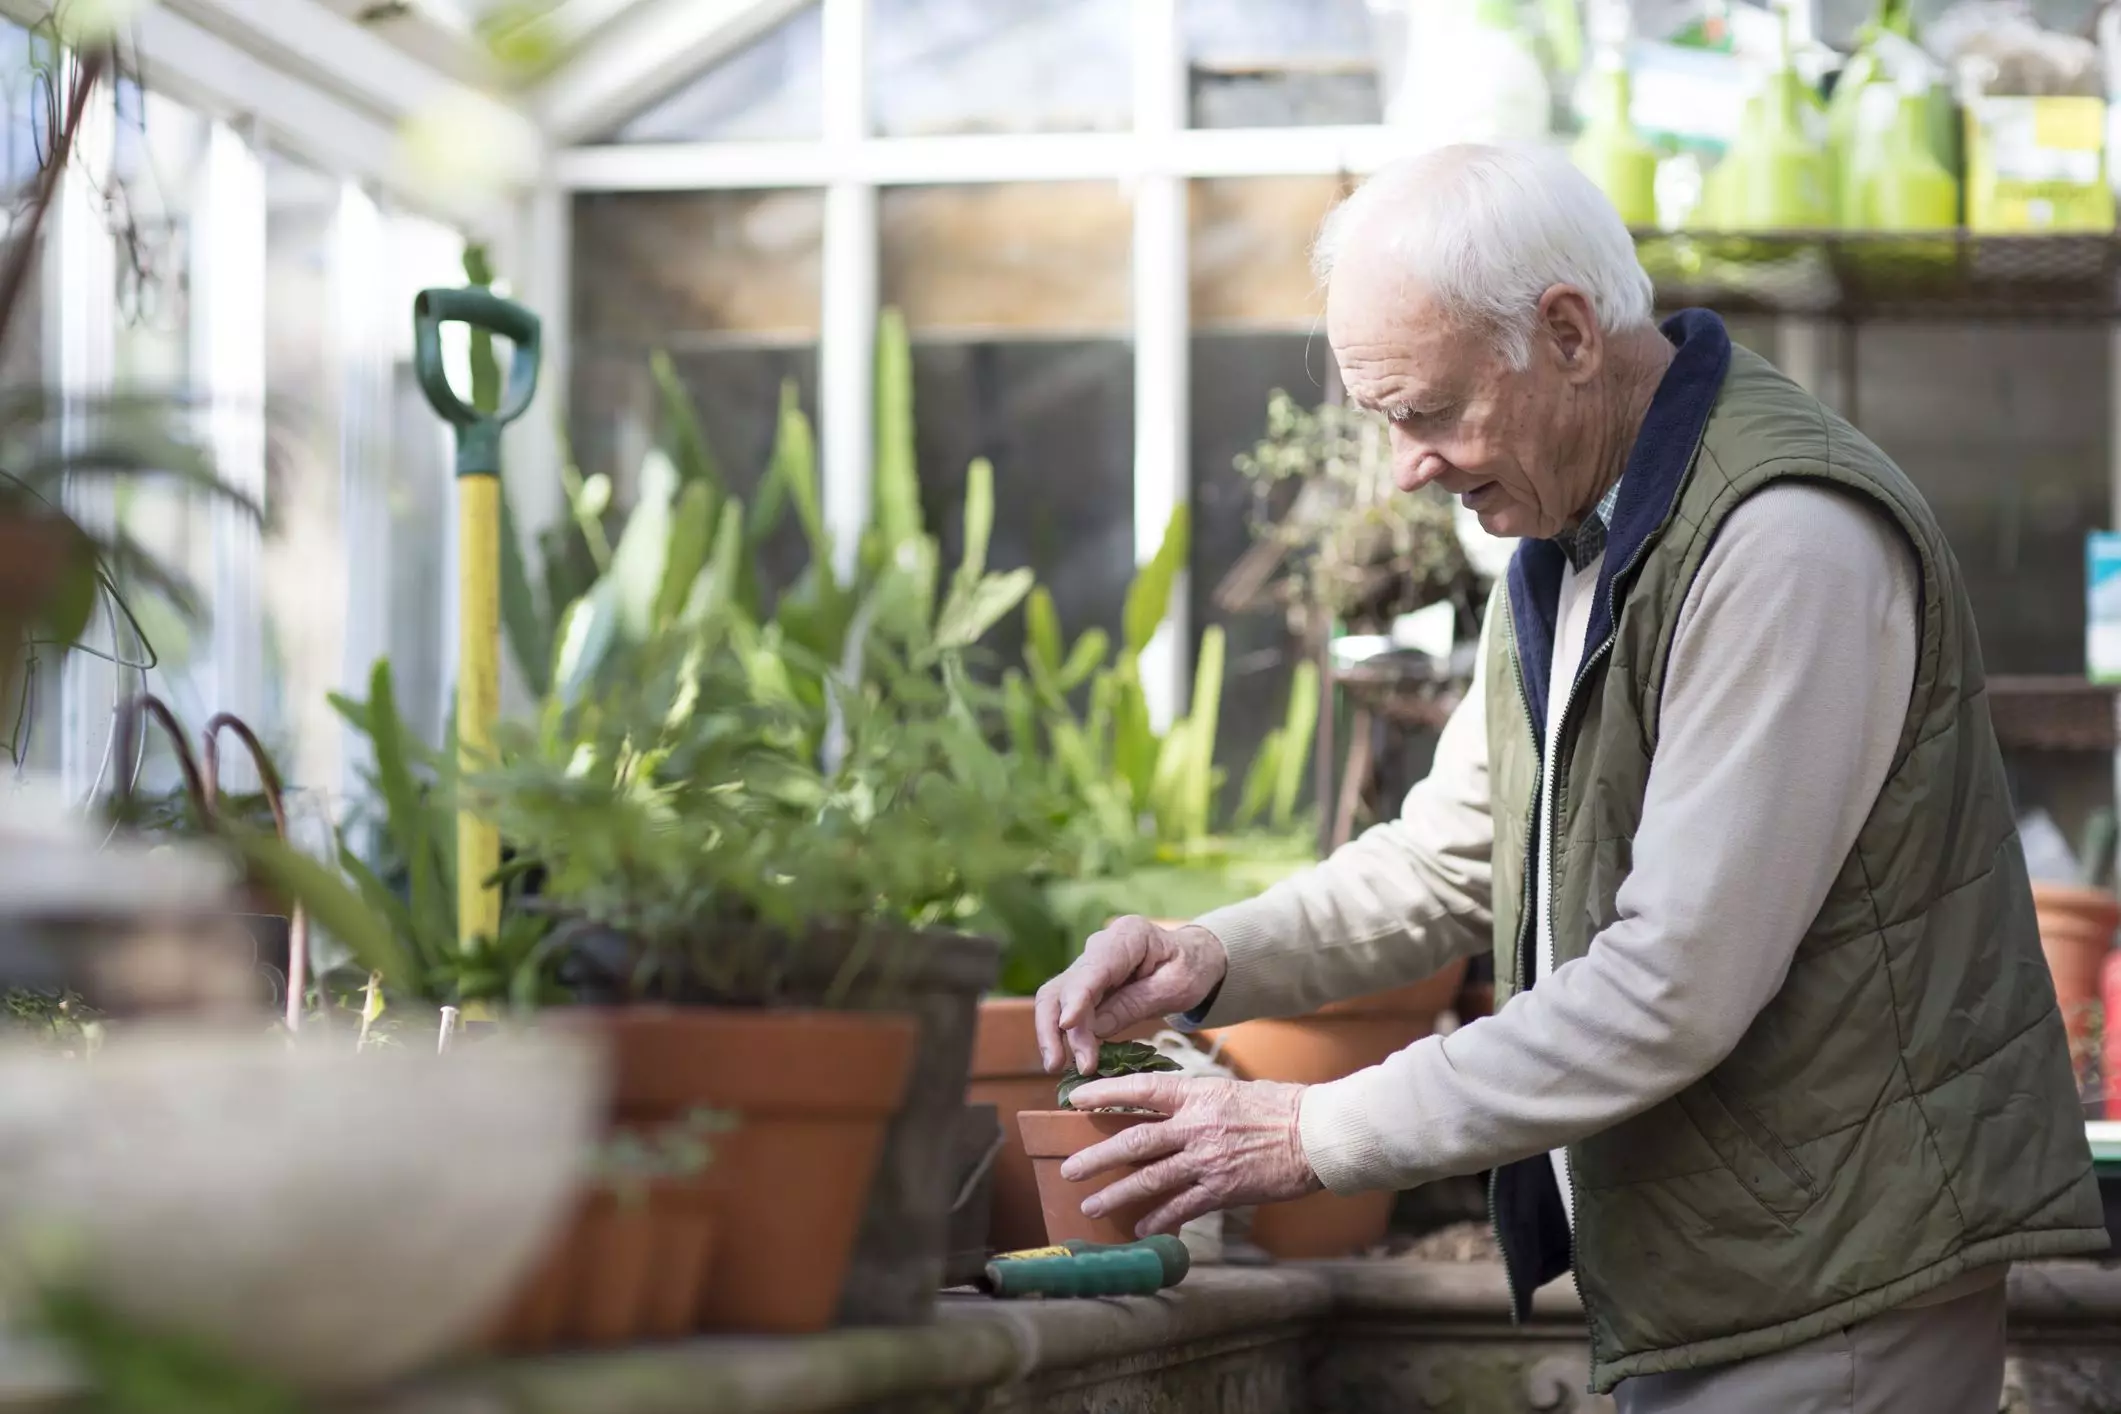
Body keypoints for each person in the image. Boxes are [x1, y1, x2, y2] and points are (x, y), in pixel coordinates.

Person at [1033, 142, 2106, 1412]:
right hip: (1738, 1266)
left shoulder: (1783, 538)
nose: (1409, 470)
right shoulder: (1568, 534)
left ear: (1568, 335)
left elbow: (1672, 985)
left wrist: (1304, 1133)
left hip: (1838, 1284)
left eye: (1429, 412)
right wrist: (1208, 955)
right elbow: (1454, 854)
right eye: (1388, 423)